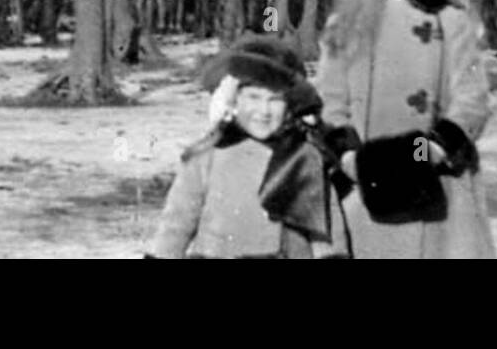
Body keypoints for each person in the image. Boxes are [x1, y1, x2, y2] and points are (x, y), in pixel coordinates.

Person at [315, 0, 496, 258]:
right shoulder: (346, 25)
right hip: (368, 183)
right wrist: (349, 158)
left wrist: (429, 149)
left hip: (438, 186)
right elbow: (330, 101)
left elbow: (472, 98)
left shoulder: (453, 21)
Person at [148, 34, 350, 258]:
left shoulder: (303, 157)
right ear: (233, 100)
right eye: (254, 97)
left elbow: (326, 233)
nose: (263, 111)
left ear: (290, 105)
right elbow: (176, 226)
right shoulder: (207, 155)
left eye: (275, 100)